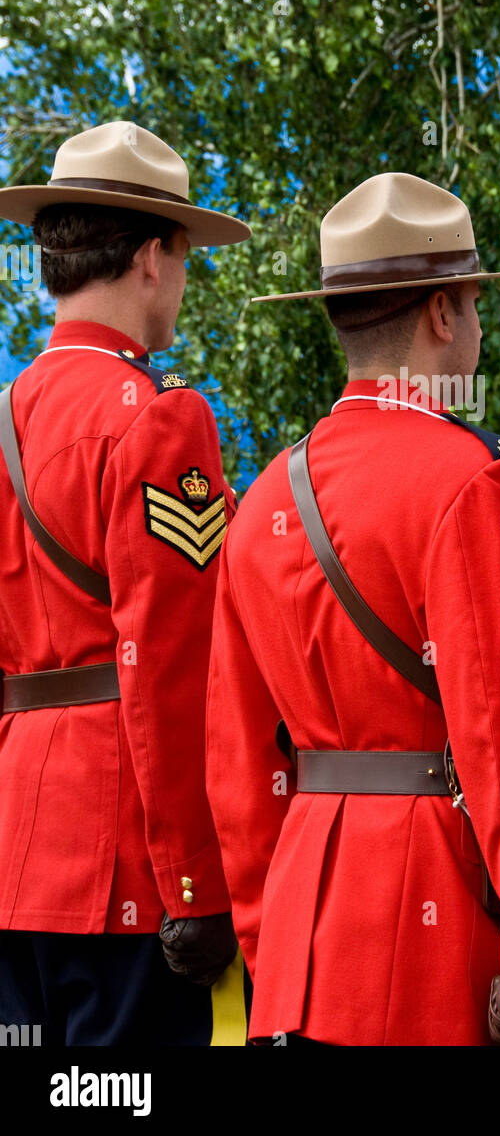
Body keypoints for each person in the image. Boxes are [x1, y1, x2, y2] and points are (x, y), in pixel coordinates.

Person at [206, 171, 500, 1045]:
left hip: (301, 935)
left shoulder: (260, 502)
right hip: (437, 924)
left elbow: (237, 768)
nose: (477, 325)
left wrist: (269, 940)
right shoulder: (480, 480)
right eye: (475, 303)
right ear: (445, 313)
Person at [0, 120, 249, 1045]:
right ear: (152, 257)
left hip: (15, 854)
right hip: (123, 865)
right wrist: (195, 878)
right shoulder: (156, 421)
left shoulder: (5, 418)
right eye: (185, 257)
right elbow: (175, 666)